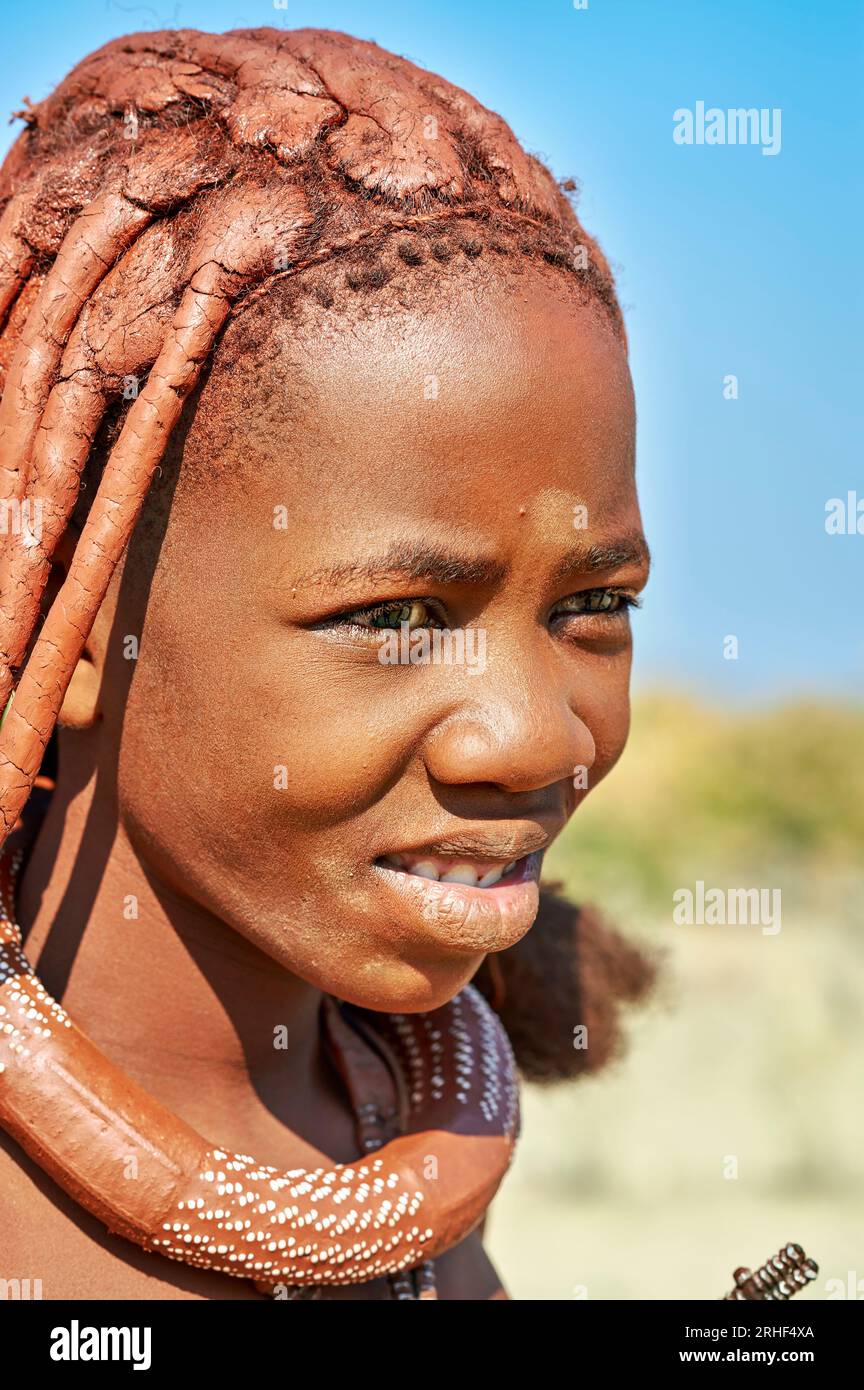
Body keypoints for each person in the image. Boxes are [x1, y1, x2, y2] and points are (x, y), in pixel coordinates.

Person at [0, 26, 656, 1300]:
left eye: (592, 605)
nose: (538, 739)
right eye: (398, 619)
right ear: (77, 630)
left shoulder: (395, 1137)